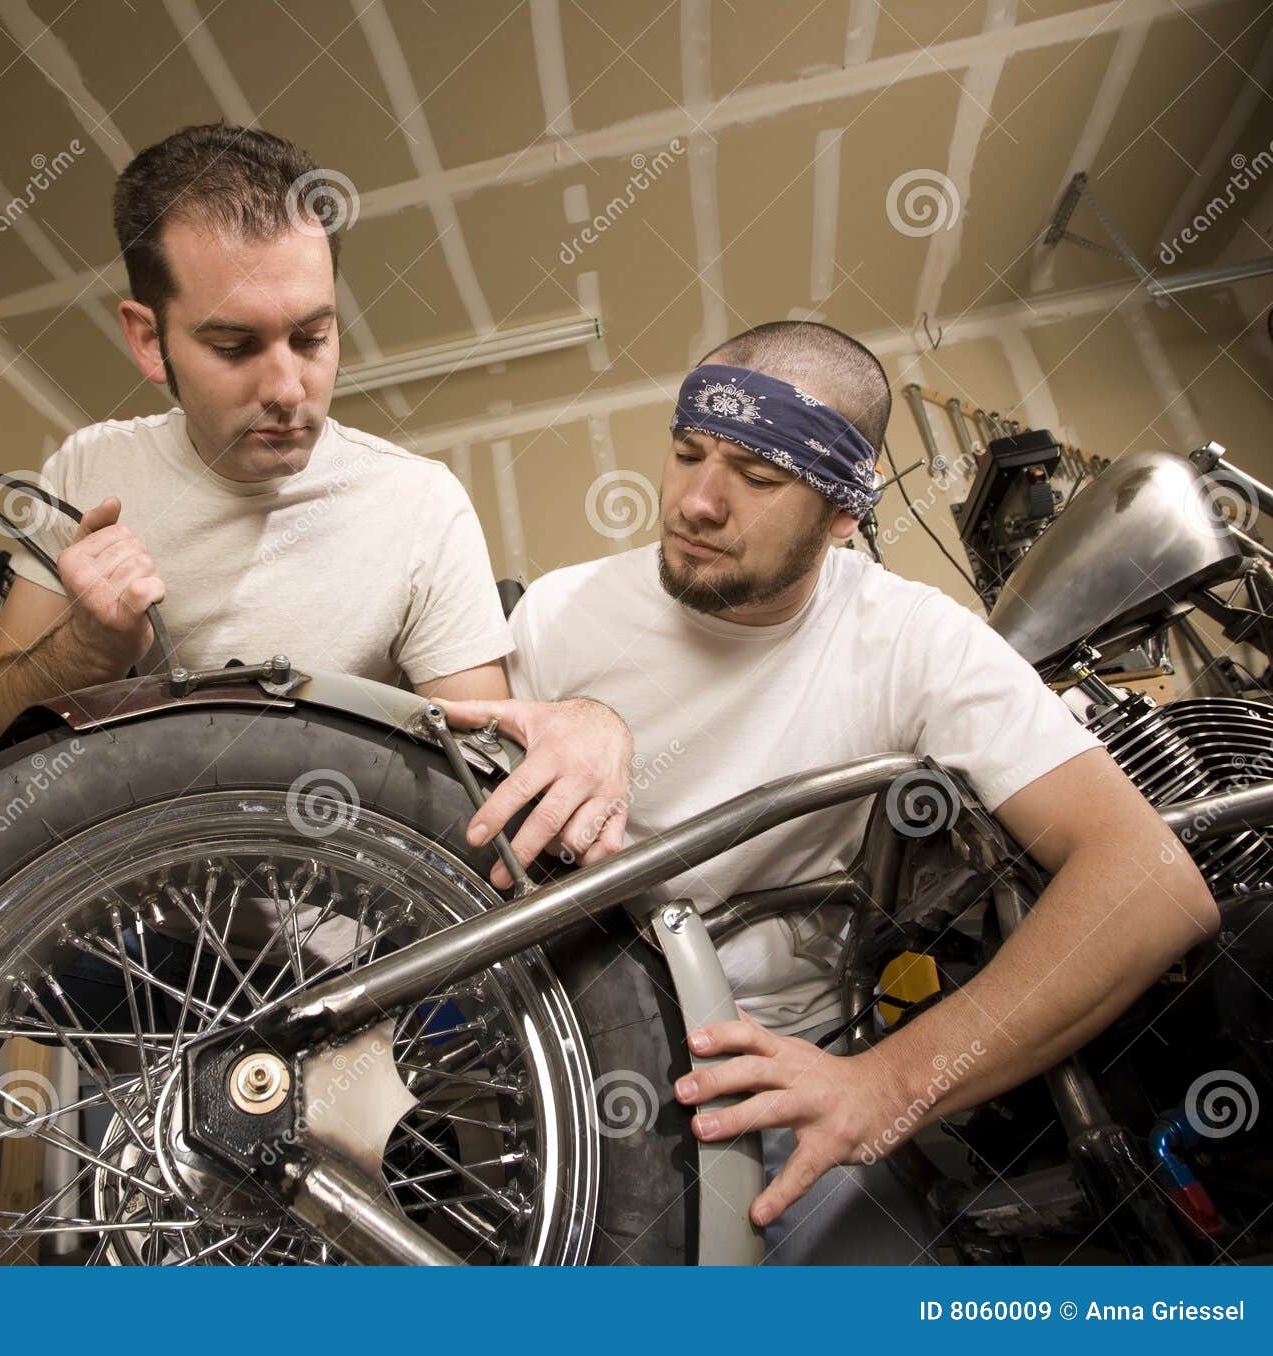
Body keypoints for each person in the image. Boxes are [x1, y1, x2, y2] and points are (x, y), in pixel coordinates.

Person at [0, 123, 630, 1098]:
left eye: (313, 336)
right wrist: (90, 646)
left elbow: (471, 793)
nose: (288, 387)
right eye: (235, 345)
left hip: (308, 965)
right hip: (102, 912)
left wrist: (583, 731)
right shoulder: (91, 468)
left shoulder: (421, 508)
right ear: (147, 338)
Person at [440, 320, 1218, 1264]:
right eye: (687, 453)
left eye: (758, 477)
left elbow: (1149, 884)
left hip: (786, 1075)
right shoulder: (562, 613)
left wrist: (887, 1086)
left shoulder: (915, 640)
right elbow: (458, 856)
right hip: (572, 1047)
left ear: (846, 512)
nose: (696, 502)